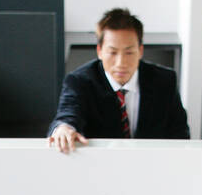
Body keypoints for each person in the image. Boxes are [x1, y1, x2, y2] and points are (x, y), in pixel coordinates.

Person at [47, 8, 190, 154]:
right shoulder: (79, 81)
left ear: (140, 51)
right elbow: (68, 114)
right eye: (113, 52)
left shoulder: (165, 81)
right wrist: (64, 128)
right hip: (101, 166)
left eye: (129, 52)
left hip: (151, 164)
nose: (121, 62)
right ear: (100, 51)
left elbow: (180, 134)